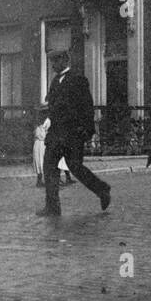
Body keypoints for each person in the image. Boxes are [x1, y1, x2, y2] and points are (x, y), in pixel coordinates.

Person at [38, 51, 111, 217]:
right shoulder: (55, 81)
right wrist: (49, 117)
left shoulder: (78, 80)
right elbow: (53, 106)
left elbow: (87, 106)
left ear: (64, 60)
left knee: (75, 167)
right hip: (56, 134)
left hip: (72, 134)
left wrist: (86, 131)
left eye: (55, 62)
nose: (52, 65)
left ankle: (102, 189)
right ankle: (52, 207)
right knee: (49, 166)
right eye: (51, 62)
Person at [33, 108, 73, 187]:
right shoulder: (46, 122)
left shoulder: (43, 121)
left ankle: (44, 180)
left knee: (42, 162)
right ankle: (46, 181)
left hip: (42, 143)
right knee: (43, 162)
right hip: (43, 143)